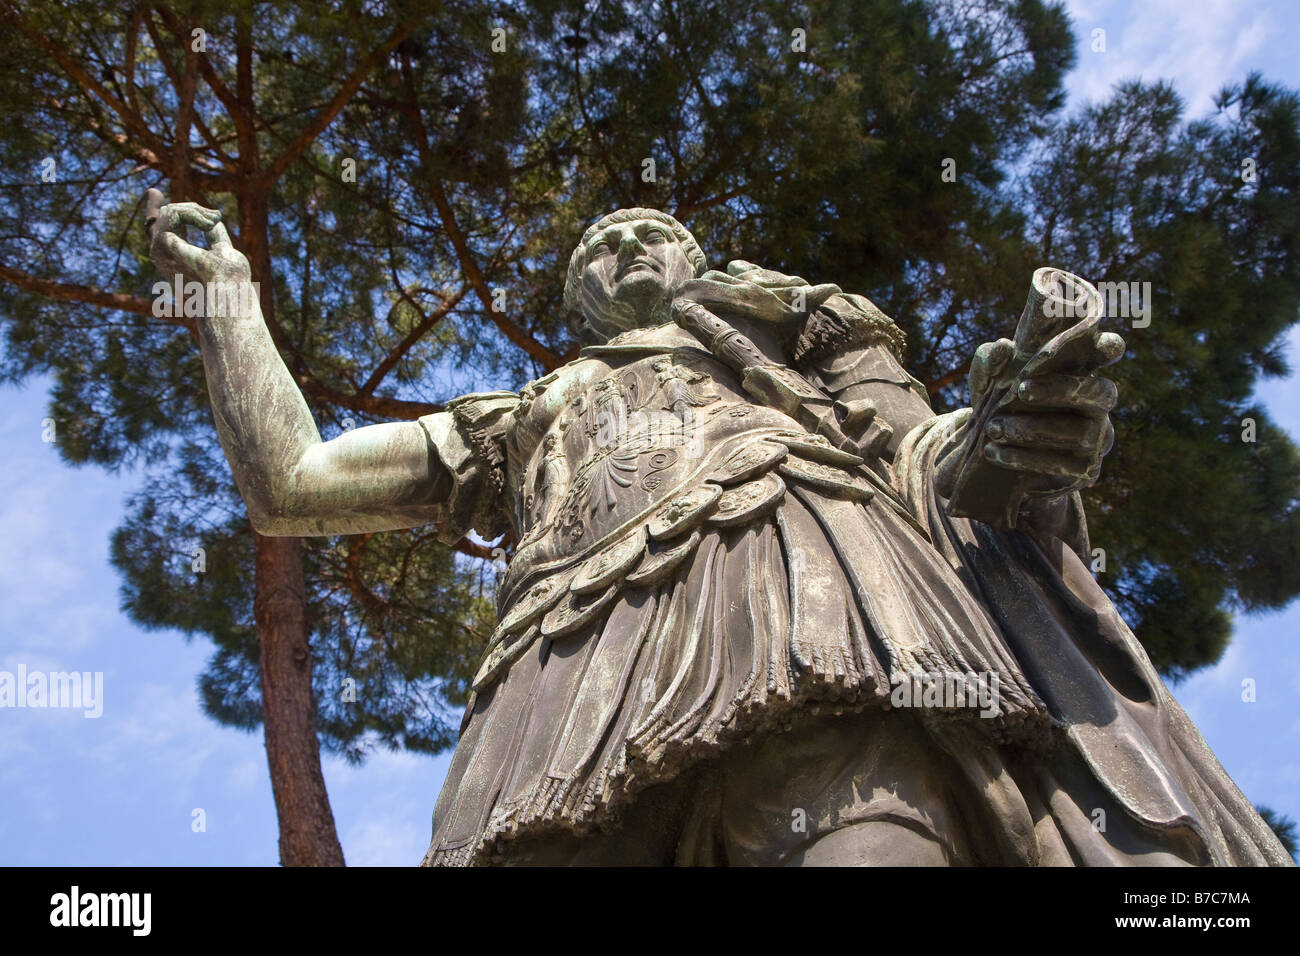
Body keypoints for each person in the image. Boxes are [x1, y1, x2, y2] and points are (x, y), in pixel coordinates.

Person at [149, 199, 1291, 866]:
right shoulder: (522, 416)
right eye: (601, 247)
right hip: (557, 688)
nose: (630, 246)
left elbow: (937, 469)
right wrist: (231, 300)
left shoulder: (801, 352)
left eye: (653, 230)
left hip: (814, 608)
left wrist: (1021, 423)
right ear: (581, 303)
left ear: (695, 261)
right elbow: (292, 482)